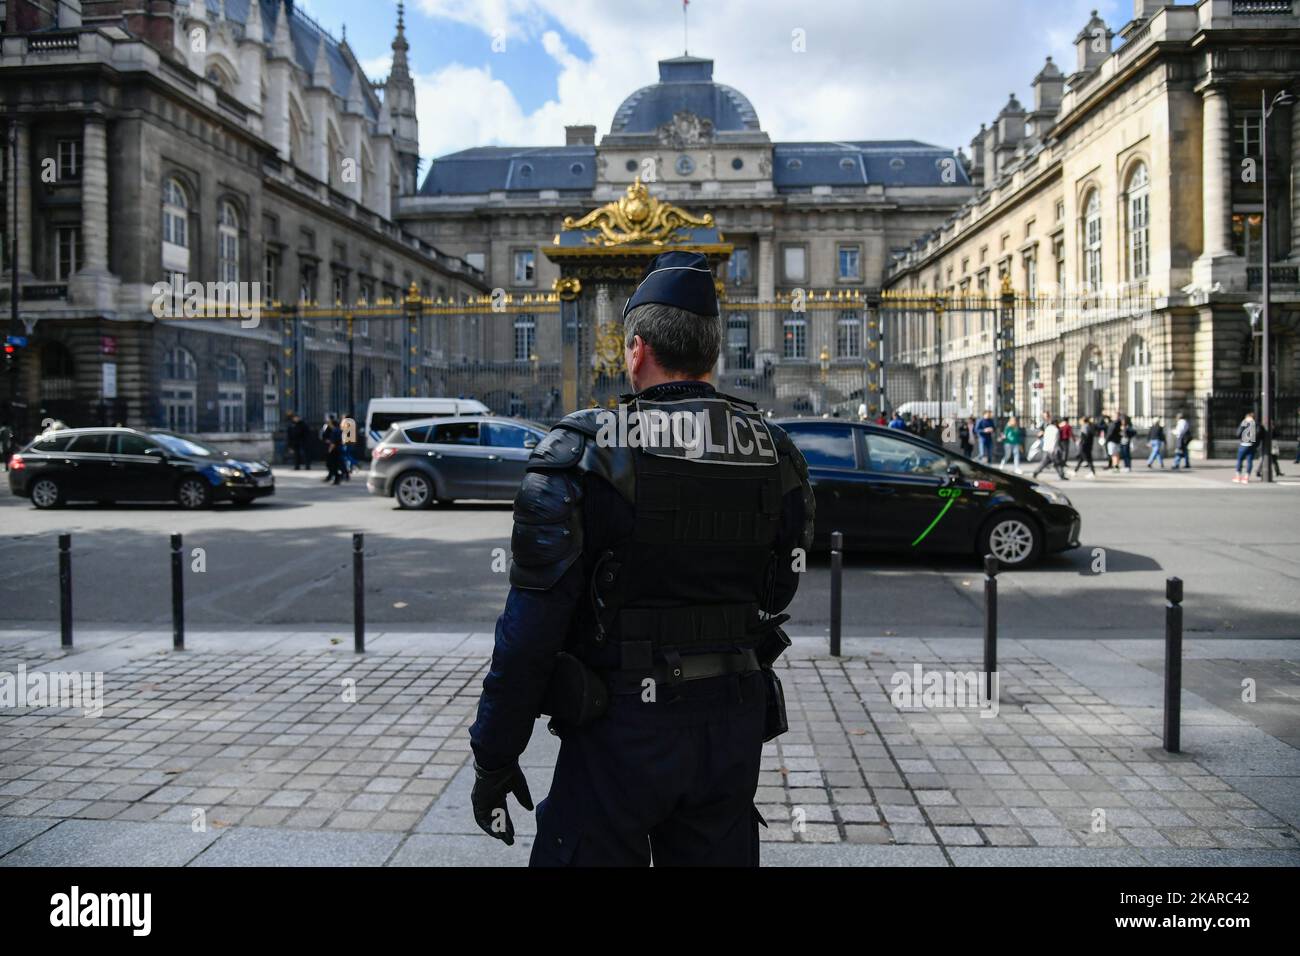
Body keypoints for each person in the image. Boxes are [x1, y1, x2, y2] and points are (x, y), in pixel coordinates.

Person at [468, 251, 815, 867]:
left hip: (618, 728)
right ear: (714, 354)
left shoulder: (584, 452)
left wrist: (495, 754)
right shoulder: (775, 451)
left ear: (635, 350)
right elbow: (777, 590)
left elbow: (528, 635)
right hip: (731, 721)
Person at [1032, 416, 1069, 480]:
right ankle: (1062, 475)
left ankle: (1035, 472)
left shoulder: (1047, 428)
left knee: (1043, 463)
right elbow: (1055, 440)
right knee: (1057, 463)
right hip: (1053, 450)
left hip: (1046, 449)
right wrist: (1054, 449)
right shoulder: (1056, 430)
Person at [1235, 411, 1257, 483]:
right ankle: (1246, 477)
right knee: (1249, 461)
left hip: (1244, 444)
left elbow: (1238, 434)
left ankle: (1238, 476)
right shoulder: (1255, 424)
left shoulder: (1244, 423)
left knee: (1240, 460)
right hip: (1252, 445)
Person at [321, 415, 343, 484]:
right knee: (335, 464)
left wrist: (330, 450)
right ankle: (335, 477)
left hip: (334, 450)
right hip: (338, 449)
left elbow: (333, 443)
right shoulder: (338, 430)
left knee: (332, 465)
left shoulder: (334, 431)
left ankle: (337, 478)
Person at [339, 411, 358, 481]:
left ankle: (355, 463)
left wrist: (344, 442)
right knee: (348, 454)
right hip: (352, 442)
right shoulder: (352, 423)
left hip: (347, 442)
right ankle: (350, 467)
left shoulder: (346, 423)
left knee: (346, 455)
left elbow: (344, 432)